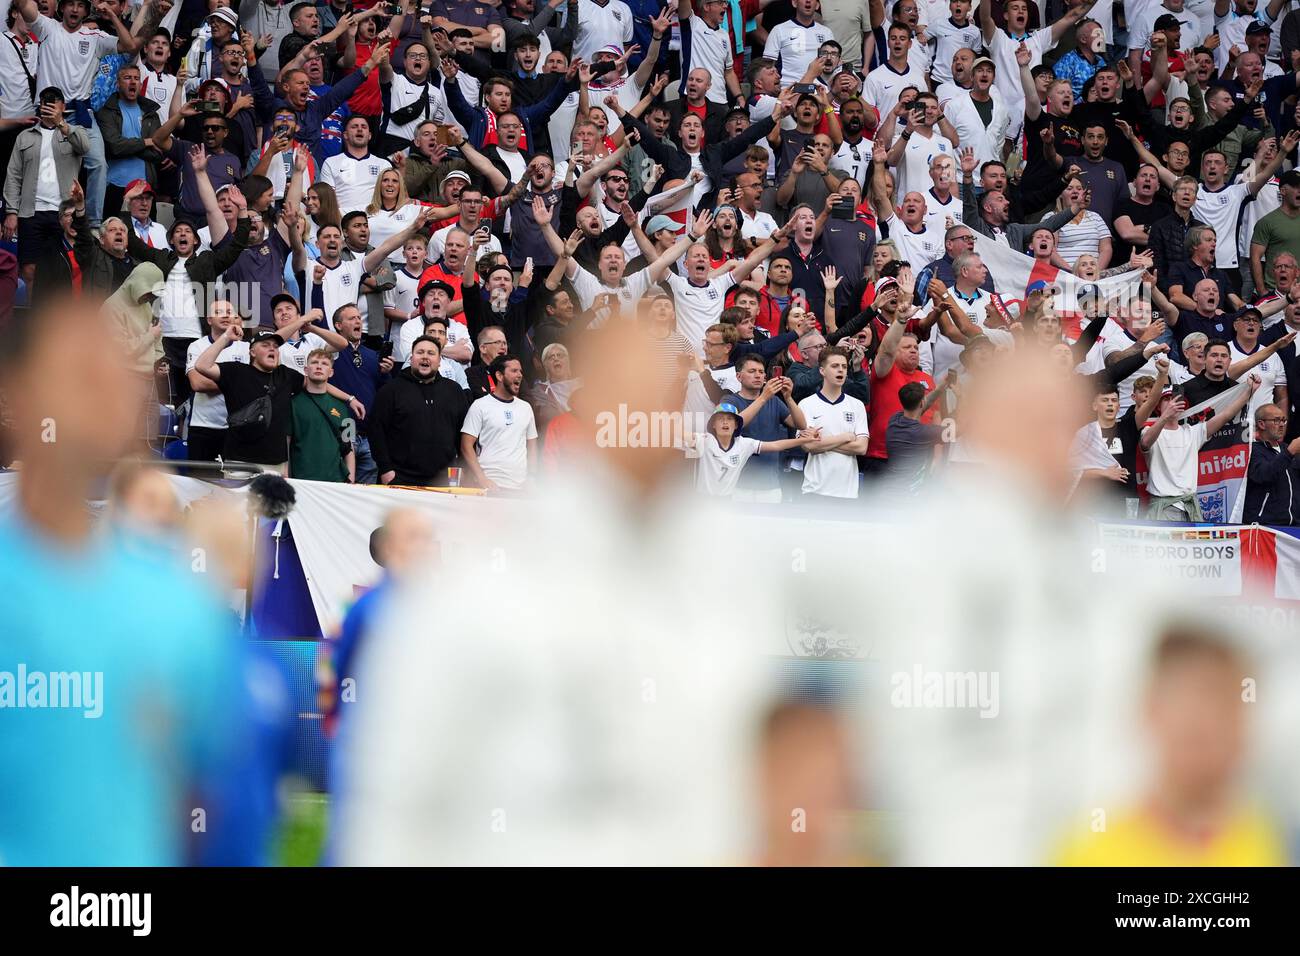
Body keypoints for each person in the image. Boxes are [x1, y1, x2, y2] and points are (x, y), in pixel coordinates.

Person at [193, 325, 364, 469]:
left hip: (275, 464)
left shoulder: (286, 375)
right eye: (265, 345)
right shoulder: (236, 371)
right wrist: (225, 337)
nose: (272, 349)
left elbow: (318, 384)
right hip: (240, 462)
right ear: (252, 352)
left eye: (275, 346)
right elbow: (202, 366)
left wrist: (350, 399)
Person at [4, 87, 90, 293]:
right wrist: (11, 212)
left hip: (63, 213)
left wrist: (61, 123)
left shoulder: (75, 132)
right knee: (29, 270)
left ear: (63, 106)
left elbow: (85, 147)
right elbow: (13, 175)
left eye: (53, 101)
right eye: (44, 101)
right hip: (30, 212)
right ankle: (36, 320)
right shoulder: (25, 136)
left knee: (63, 269)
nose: (48, 105)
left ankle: (56, 320)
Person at [1140, 376, 1260, 521]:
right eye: (1167, 399)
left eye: (1177, 400)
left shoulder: (1191, 432)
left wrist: (1249, 391)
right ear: (1158, 406)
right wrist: (1165, 416)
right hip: (1164, 506)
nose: (1173, 403)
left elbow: (1225, 415)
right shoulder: (1149, 431)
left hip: (1191, 507)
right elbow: (1145, 443)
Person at [370, 334, 473, 486]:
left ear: (439, 361)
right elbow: (376, 431)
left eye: (431, 353)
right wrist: (386, 469)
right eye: (420, 352)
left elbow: (464, 435)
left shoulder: (454, 390)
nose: (425, 357)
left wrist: (464, 468)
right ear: (411, 359)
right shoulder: (391, 390)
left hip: (444, 480)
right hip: (400, 478)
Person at [683, 400, 820, 498]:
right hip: (702, 499)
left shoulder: (744, 444)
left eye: (730, 419)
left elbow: (775, 445)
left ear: (737, 425)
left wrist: (805, 439)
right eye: (720, 419)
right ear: (713, 424)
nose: (725, 422)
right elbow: (679, 433)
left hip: (728, 499)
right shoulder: (704, 440)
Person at [796, 347, 870, 499]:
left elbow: (861, 447)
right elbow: (808, 445)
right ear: (822, 371)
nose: (841, 371)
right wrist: (845, 437)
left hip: (847, 493)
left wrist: (822, 444)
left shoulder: (856, 405)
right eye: (835, 366)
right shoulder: (806, 404)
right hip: (815, 491)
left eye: (844, 366)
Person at [460, 354, 538, 491]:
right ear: (499, 376)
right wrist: (481, 478)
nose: (520, 375)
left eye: (520, 371)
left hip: (520, 487)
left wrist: (531, 477)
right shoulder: (480, 405)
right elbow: (466, 445)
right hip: (490, 485)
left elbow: (532, 445)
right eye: (514, 371)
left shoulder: (526, 407)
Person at [289, 349, 356, 482]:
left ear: (331, 372)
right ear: (306, 370)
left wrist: (351, 477)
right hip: (303, 479)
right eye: (314, 362)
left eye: (324, 363)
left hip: (336, 480)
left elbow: (349, 446)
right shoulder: (292, 403)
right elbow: (286, 442)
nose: (319, 366)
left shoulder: (343, 406)